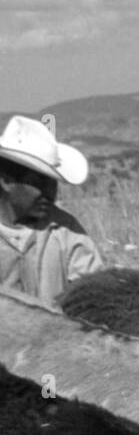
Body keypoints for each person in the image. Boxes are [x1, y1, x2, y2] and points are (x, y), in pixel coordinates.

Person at [0, 115, 105, 308]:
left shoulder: (67, 232)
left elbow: (95, 297)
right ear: (6, 182)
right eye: (36, 182)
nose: (49, 193)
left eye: (52, 183)